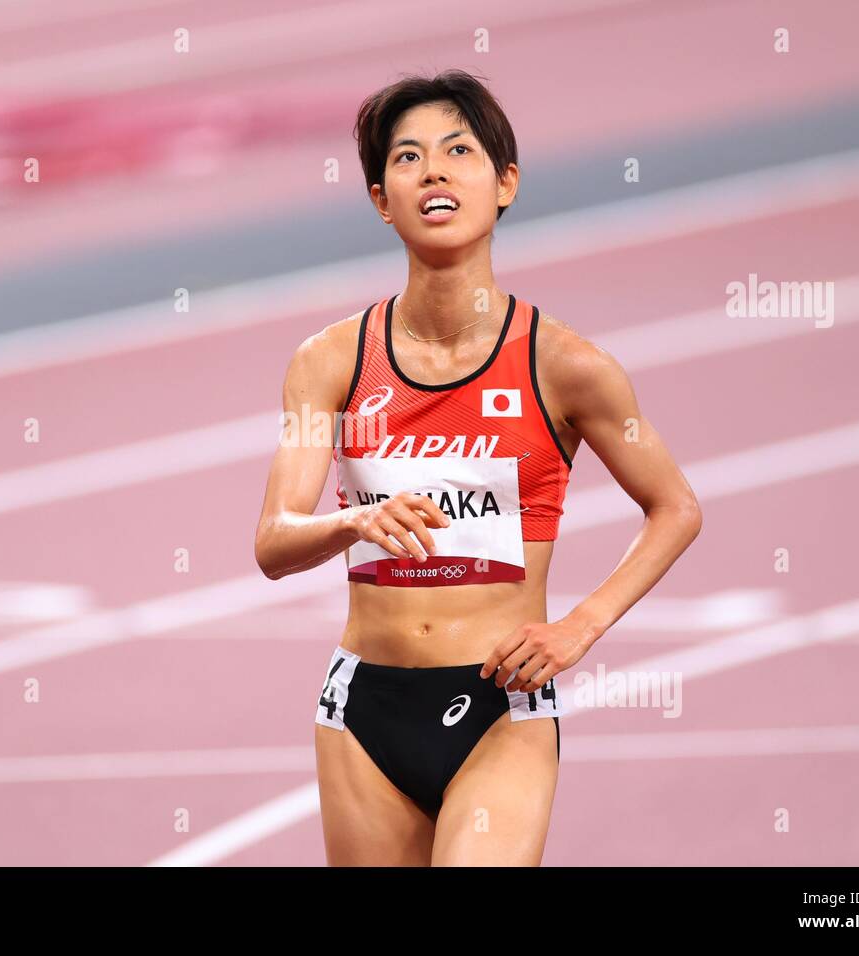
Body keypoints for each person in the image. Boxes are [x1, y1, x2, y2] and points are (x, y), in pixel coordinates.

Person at [254, 69, 702, 866]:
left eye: (459, 151)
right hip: (364, 712)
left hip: (503, 706)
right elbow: (274, 543)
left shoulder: (568, 366)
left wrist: (580, 627)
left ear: (505, 184)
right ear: (380, 199)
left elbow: (675, 507)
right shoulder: (328, 361)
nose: (434, 170)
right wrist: (352, 519)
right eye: (408, 157)